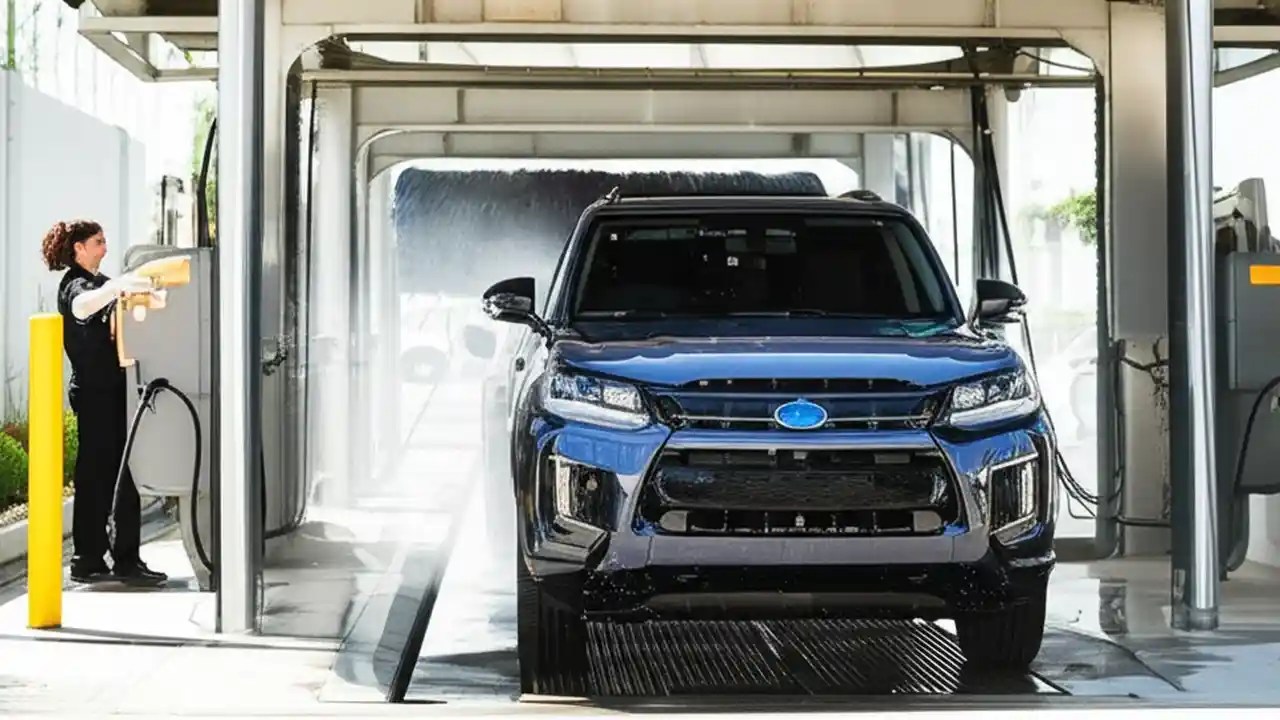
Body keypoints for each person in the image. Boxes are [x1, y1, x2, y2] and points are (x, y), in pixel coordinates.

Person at [41, 220, 167, 586]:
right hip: (96, 394)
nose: (104, 247)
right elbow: (81, 307)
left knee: (98, 476)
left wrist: (141, 289)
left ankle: (91, 558)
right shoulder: (76, 285)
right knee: (114, 476)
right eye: (98, 242)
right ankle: (120, 560)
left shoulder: (99, 281)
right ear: (79, 248)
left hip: (108, 391)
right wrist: (118, 287)